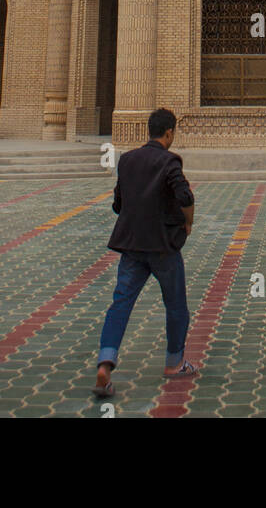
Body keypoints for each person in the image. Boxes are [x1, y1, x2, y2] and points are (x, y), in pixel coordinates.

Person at [93, 107, 196, 398]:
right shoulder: (169, 161)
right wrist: (187, 221)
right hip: (162, 246)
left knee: (120, 304)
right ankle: (175, 363)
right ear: (169, 133)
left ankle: (105, 361)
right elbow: (185, 196)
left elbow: (118, 203)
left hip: (132, 247)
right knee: (176, 306)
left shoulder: (127, 160)